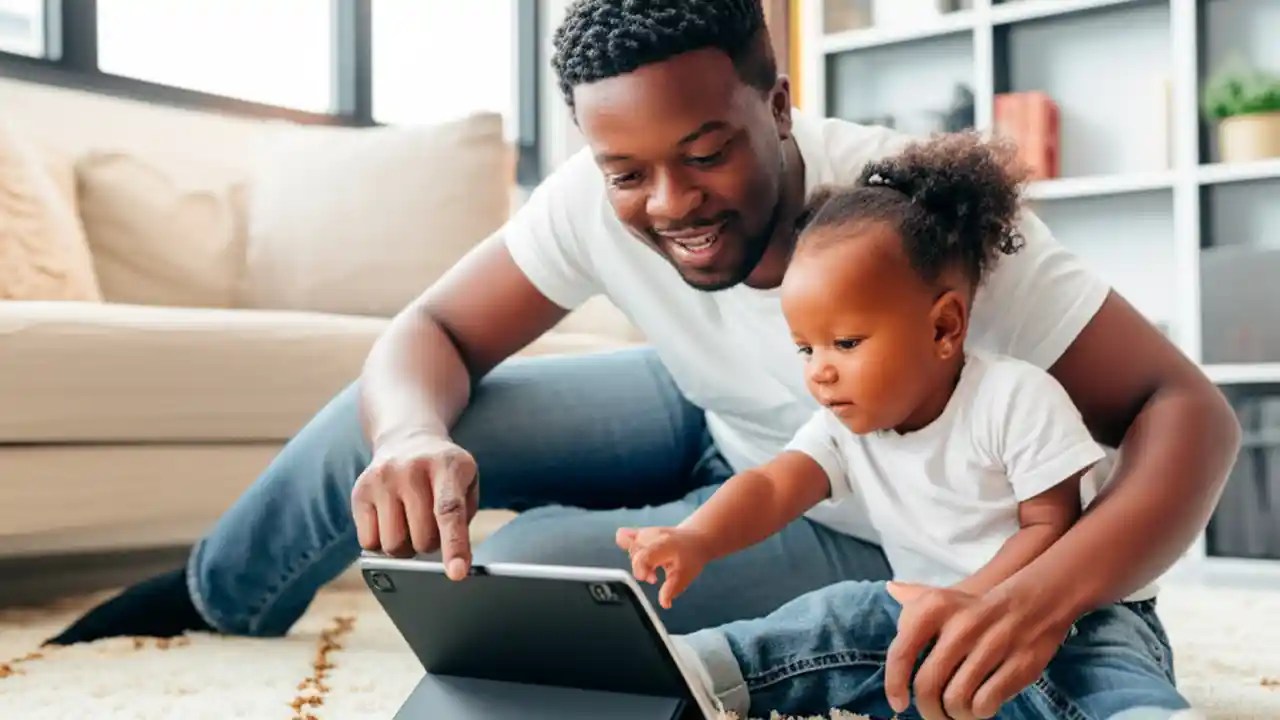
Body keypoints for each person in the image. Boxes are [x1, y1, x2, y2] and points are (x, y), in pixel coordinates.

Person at [52, 1, 1239, 717]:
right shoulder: (602, 193)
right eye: (626, 171)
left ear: (778, 105)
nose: (670, 201)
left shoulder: (919, 227)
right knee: (386, 422)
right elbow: (430, 333)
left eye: (706, 152)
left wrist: (1043, 590)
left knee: (522, 588)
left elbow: (1182, 410)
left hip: (846, 501)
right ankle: (210, 596)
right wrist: (416, 436)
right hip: (697, 405)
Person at [617, 131, 1195, 719]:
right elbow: (772, 487)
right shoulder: (845, 425)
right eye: (805, 349)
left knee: (1101, 670)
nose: (821, 372)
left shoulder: (1013, 397)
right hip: (931, 618)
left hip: (1071, 613)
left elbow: (1052, 526)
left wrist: (972, 601)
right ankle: (707, 668)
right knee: (842, 616)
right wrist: (697, 537)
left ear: (943, 328)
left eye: (844, 343)